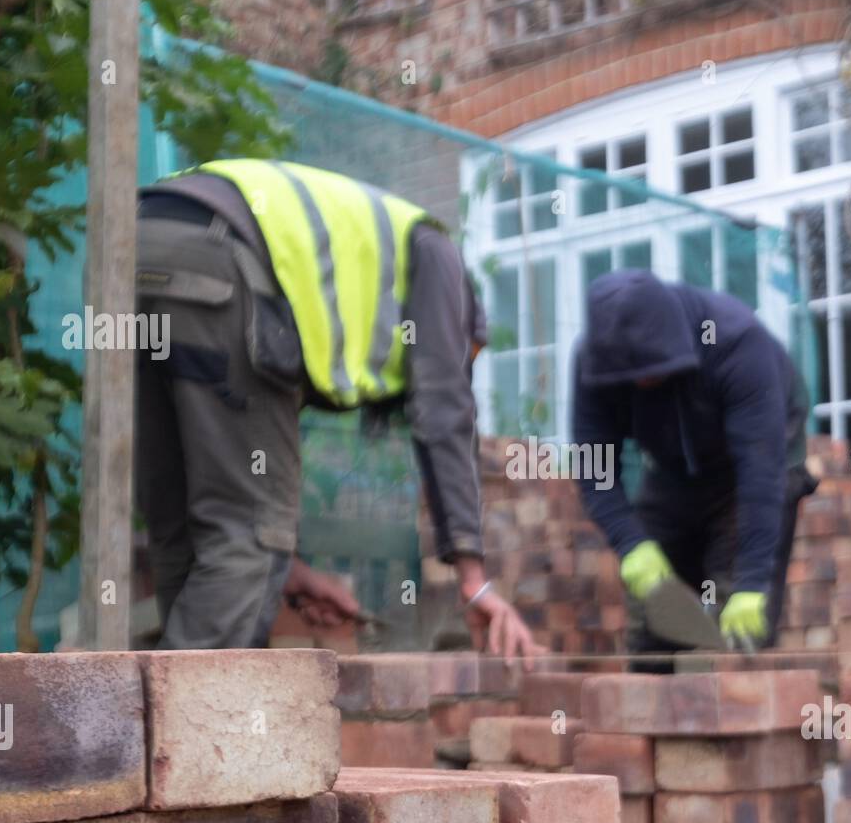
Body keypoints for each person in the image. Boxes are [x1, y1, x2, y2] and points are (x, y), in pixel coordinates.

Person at [132, 157, 539, 659]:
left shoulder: (344, 278)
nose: (462, 366)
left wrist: (289, 569)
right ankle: (180, 728)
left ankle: (152, 717)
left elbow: (231, 468)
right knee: (247, 537)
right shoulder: (439, 258)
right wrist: (474, 581)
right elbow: (445, 411)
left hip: (136, 246)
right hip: (223, 258)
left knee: (182, 531)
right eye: (468, 355)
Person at [571, 268, 816, 653]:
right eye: (631, 379)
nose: (642, 386)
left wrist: (751, 583)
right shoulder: (594, 363)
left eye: (654, 374)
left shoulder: (734, 341)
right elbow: (594, 467)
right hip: (673, 471)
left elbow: (760, 471)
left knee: (730, 636)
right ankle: (649, 700)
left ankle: (738, 684)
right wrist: (630, 541)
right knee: (654, 624)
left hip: (753, 471)